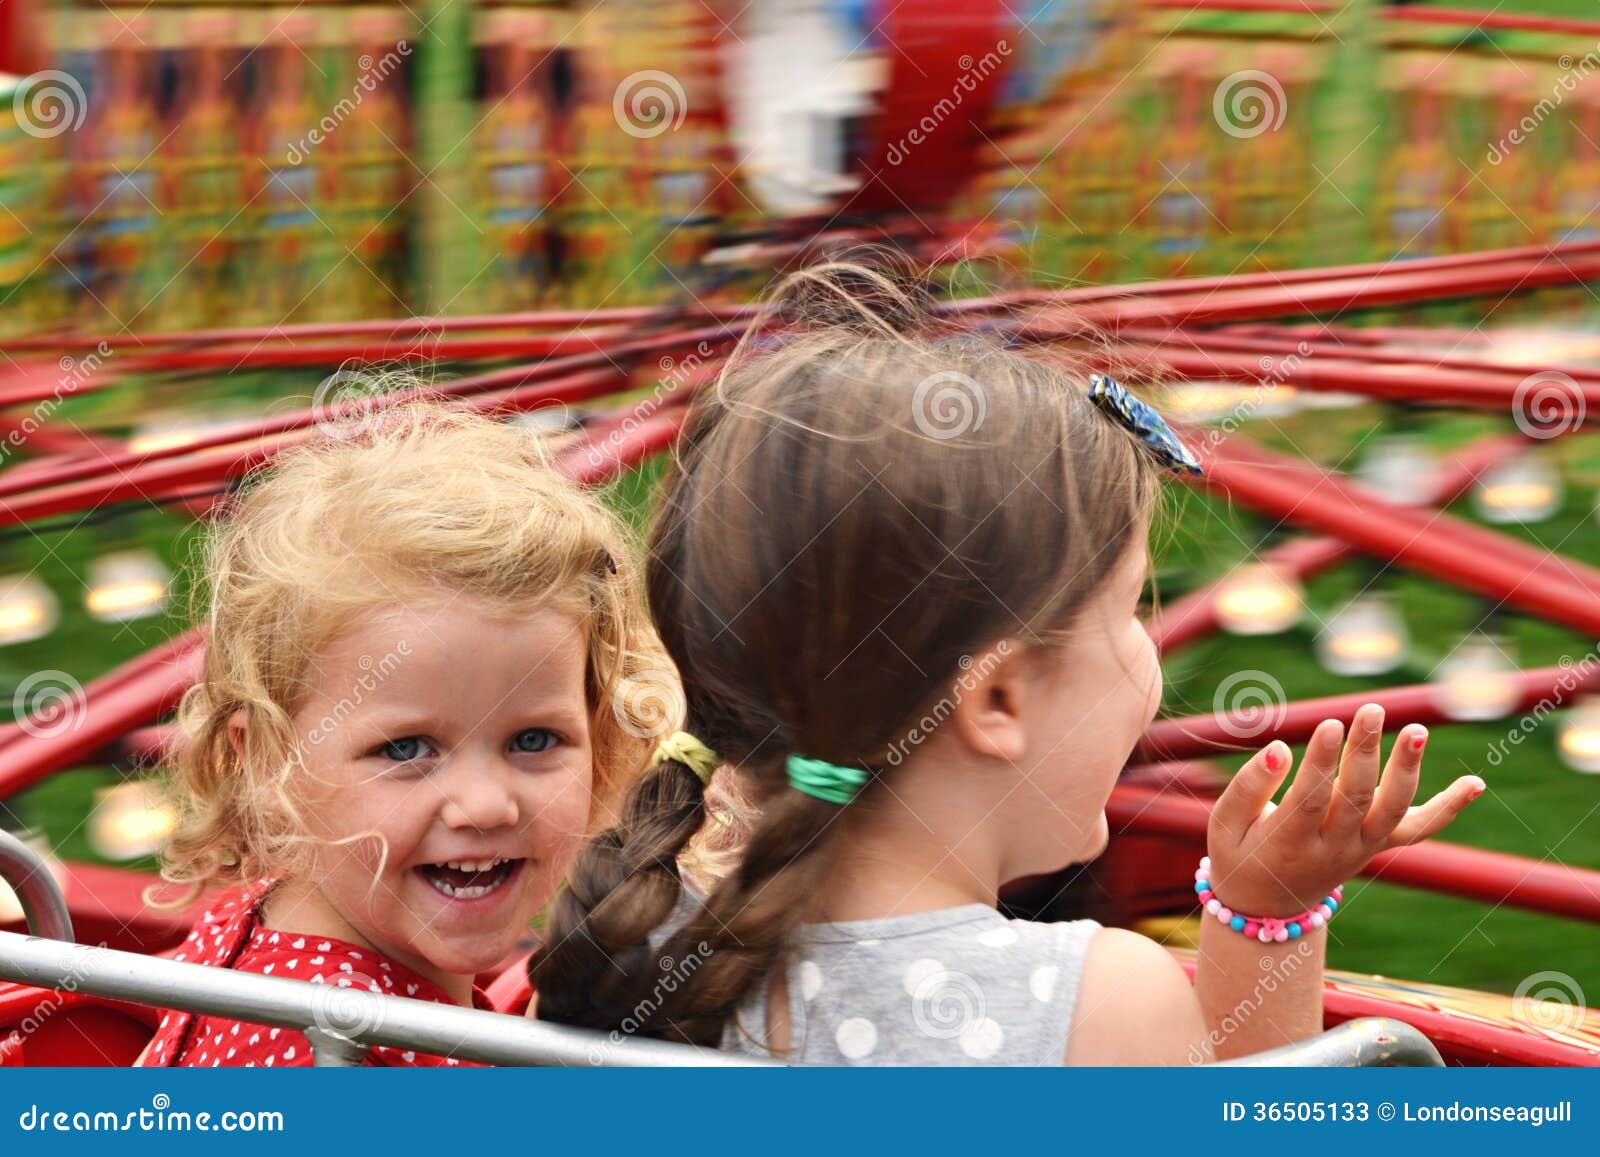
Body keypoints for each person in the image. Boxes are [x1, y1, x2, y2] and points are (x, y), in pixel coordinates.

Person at [529, 264, 1485, 1065]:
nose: (1149, 660)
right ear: (999, 696)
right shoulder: (1092, 1009)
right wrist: (1270, 921)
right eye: (1127, 610)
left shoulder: (627, 948)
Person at [138, 405, 664, 1066]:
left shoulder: (292, 934)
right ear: (267, 761)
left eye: (533, 740)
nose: (485, 804)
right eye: (407, 748)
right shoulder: (315, 1057)